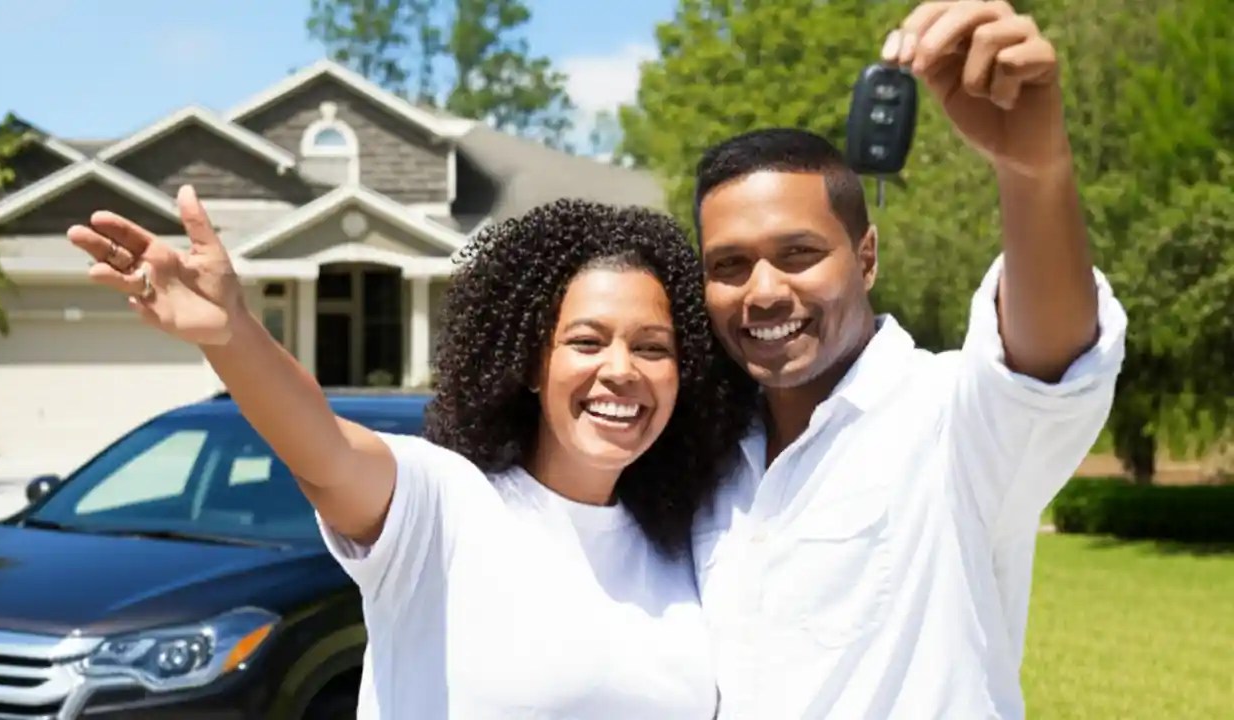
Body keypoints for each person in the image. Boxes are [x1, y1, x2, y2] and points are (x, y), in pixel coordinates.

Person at [67, 192, 755, 718]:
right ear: (533, 365)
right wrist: (233, 335)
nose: (621, 369)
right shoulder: (444, 505)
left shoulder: (680, 545)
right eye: (586, 341)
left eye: (652, 347)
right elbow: (324, 451)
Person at [689, 2, 1128, 718]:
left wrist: (1035, 170)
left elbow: (1049, 368)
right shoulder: (703, 458)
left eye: (799, 254)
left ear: (865, 259)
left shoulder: (946, 420)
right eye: (730, 265)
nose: (763, 292)